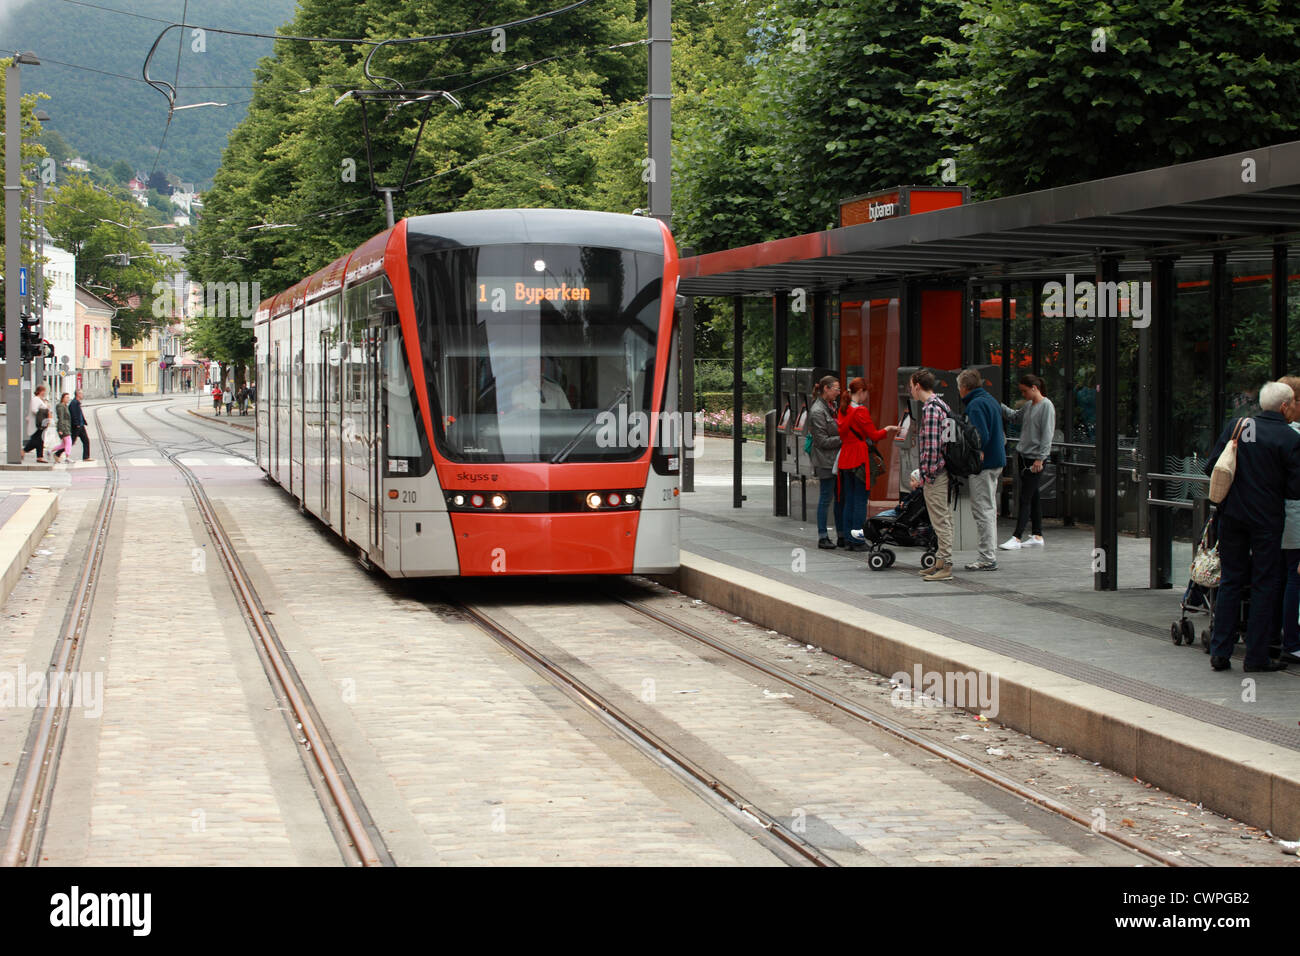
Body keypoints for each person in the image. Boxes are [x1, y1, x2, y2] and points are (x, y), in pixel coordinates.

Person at [1204, 381, 1300, 672]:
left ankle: (1220, 651)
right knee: (1264, 583)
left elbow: (1212, 467)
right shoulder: (1289, 437)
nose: (1295, 407)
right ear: (1284, 406)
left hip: (1232, 516)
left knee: (1231, 580)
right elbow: (1295, 488)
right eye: (1294, 402)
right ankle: (1255, 657)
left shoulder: (1239, 426)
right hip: (1267, 522)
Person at [837, 378, 898, 551]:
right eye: (866, 393)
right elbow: (874, 434)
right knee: (860, 501)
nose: (866, 396)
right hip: (859, 458)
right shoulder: (861, 411)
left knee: (849, 499)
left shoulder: (843, 409)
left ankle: (849, 538)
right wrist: (888, 429)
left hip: (845, 458)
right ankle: (858, 539)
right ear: (861, 391)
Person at [999, 373, 1056, 550]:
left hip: (1034, 459)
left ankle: (1017, 537)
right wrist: (998, 405)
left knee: (1025, 497)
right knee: (1033, 496)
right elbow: (1014, 416)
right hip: (1024, 456)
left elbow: (1047, 434)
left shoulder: (1046, 406)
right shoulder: (1030, 405)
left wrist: (1041, 457)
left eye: (1024, 391)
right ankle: (1037, 534)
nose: (1023, 395)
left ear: (1034, 388)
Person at [958, 368, 1006, 571]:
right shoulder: (990, 400)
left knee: (982, 511)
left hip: (983, 466)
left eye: (959, 387)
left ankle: (987, 557)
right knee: (989, 509)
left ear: (965, 387)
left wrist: (976, 454)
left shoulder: (975, 405)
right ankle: (989, 554)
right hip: (997, 461)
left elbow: (979, 436)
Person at [909, 369, 954, 581]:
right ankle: (940, 561)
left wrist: (926, 474)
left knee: (940, 520)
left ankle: (946, 565)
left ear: (918, 385)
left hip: (935, 474)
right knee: (943, 518)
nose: (910, 390)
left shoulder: (931, 409)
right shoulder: (942, 405)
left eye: (911, 386)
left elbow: (933, 448)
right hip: (942, 471)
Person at [808, 376, 844, 549]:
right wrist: (844, 438)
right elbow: (822, 441)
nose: (838, 392)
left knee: (839, 497)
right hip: (825, 461)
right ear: (826, 389)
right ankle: (823, 536)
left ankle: (841, 534)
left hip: (836, 459)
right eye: (836, 389)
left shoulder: (832, 407)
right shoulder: (817, 411)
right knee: (825, 497)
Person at [1279, 375, 1300, 666]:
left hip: (1276, 519)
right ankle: (1292, 642)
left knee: (1284, 578)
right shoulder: (1294, 436)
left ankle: (1283, 636)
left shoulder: (1266, 433)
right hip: (1295, 519)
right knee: (1295, 578)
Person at [22, 385, 50, 462]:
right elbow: (34, 410)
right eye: (43, 391)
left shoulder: (41, 400)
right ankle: (24, 451)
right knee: (36, 440)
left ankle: (39, 456)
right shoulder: (36, 399)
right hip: (37, 423)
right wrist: (44, 412)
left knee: (40, 440)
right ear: (39, 391)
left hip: (40, 423)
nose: (44, 392)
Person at [69, 389, 93, 461]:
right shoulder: (74, 403)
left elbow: (79, 414)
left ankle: (86, 457)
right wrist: (77, 424)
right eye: (81, 394)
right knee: (71, 442)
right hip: (77, 426)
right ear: (78, 394)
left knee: (86, 441)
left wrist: (83, 421)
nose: (82, 395)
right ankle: (58, 453)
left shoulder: (77, 402)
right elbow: (73, 414)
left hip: (81, 425)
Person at [53, 393, 72, 463]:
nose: (68, 399)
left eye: (68, 397)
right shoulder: (61, 406)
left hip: (66, 426)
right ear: (63, 398)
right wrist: (61, 429)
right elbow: (61, 418)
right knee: (69, 442)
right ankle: (67, 457)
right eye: (66, 397)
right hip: (64, 427)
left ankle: (49, 451)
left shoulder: (65, 406)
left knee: (63, 444)